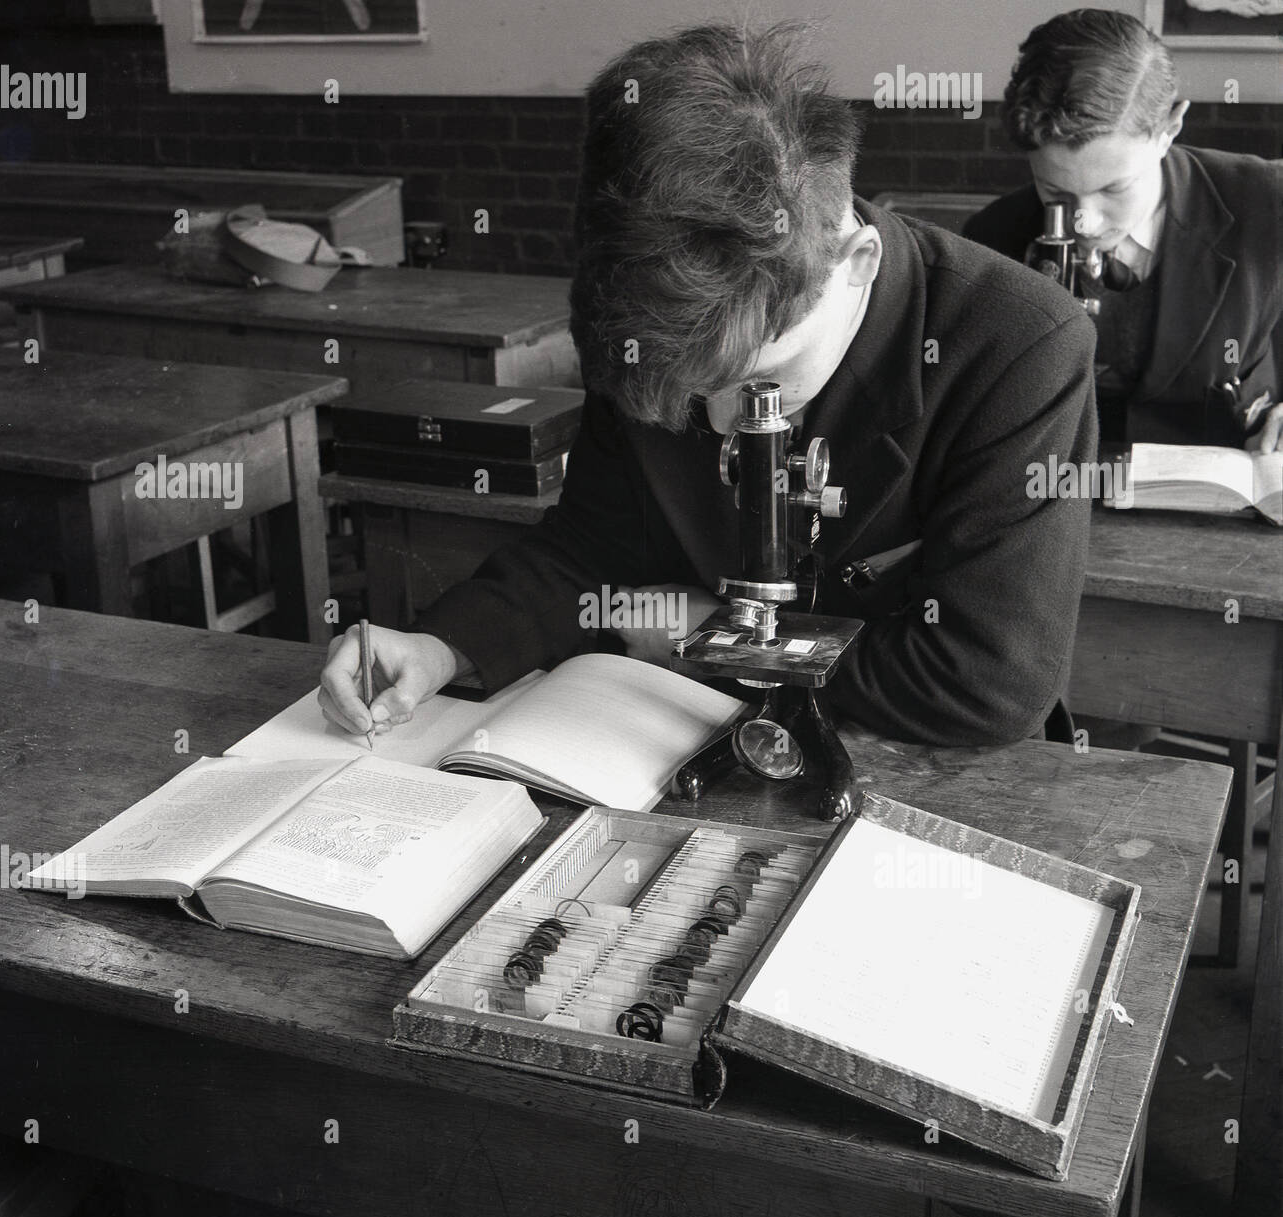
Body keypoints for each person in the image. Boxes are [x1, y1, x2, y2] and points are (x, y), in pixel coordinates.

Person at [321, 22, 1098, 749]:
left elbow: (987, 680)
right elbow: (590, 548)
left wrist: (714, 639)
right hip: (677, 739)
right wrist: (441, 648)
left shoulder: (1019, 346)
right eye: (703, 392)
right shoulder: (652, 316)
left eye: (759, 379)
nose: (724, 421)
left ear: (855, 263)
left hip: (920, 763)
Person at [964, 7, 1283, 453]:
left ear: (1170, 128)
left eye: (1114, 188)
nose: (1084, 223)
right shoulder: (990, 238)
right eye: (1055, 191)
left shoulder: (1269, 201)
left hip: (1224, 498)